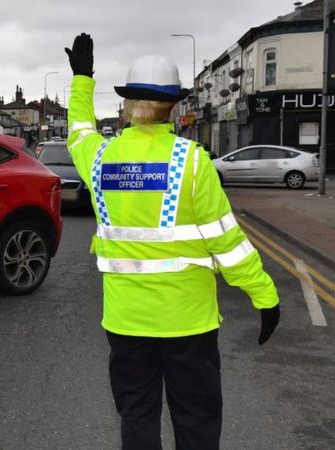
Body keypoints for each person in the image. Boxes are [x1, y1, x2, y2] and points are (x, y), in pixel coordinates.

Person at [64, 33, 280, 449]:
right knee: (196, 422)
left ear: (127, 105)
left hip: (126, 321)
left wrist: (82, 80)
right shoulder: (193, 161)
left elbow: (78, 131)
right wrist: (264, 295)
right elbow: (227, 242)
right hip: (189, 322)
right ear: (173, 106)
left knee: (137, 417)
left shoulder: (99, 157)